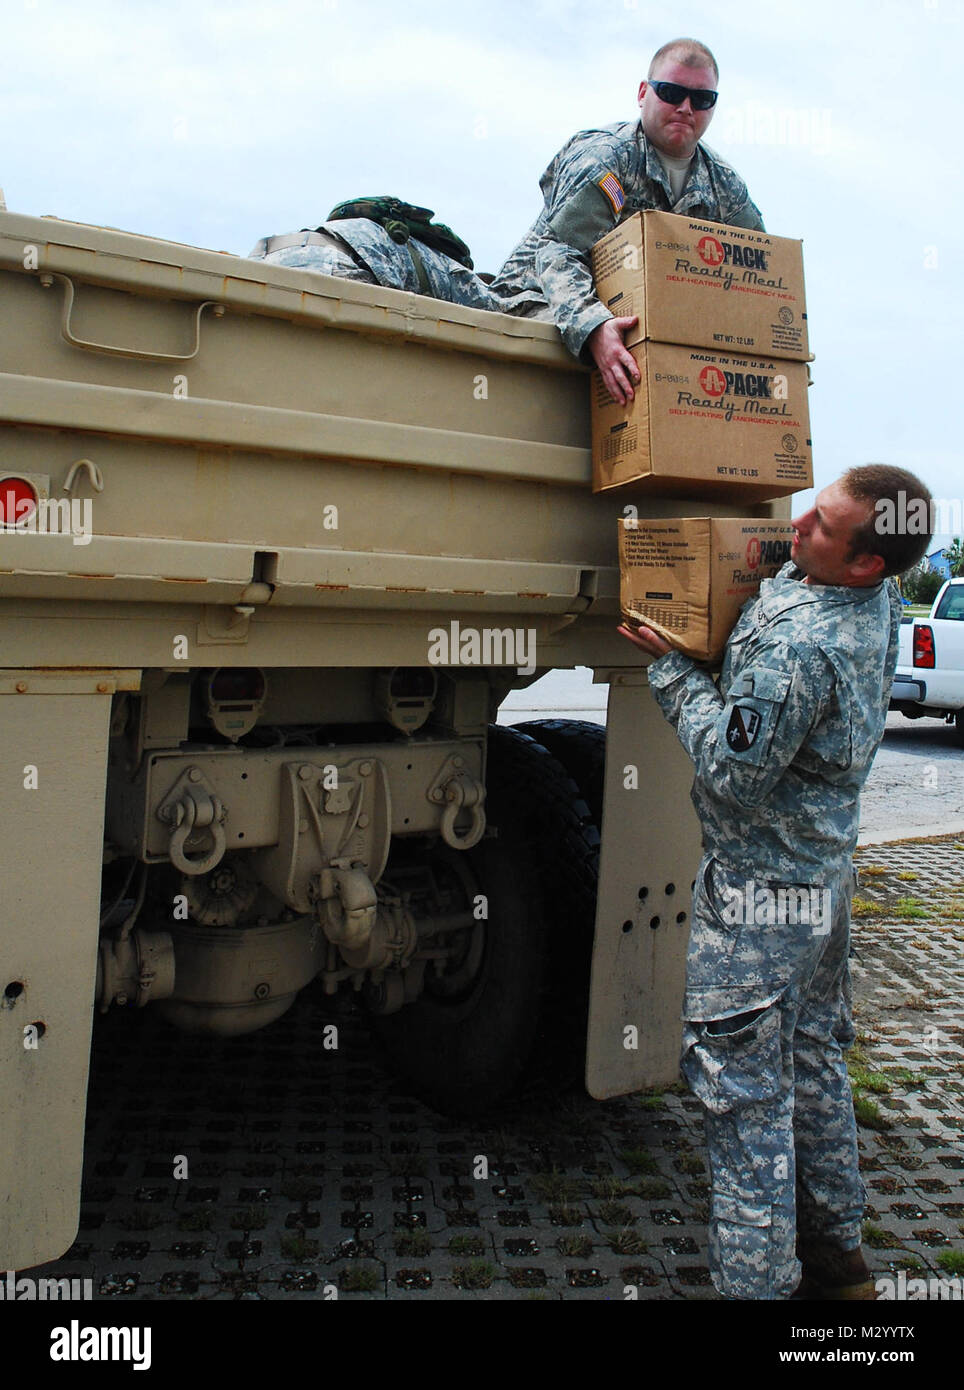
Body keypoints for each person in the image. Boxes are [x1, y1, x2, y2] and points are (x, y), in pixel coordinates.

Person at [618, 465, 934, 1301]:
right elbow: (800, 585)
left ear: (866, 561)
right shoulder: (878, 604)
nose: (795, 529)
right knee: (816, 1064)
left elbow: (731, 774)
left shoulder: (798, 646)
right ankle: (840, 1263)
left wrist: (673, 670)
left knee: (744, 1105)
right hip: (824, 885)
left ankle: (762, 1289)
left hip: (759, 900)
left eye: (820, 528)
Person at [490, 37, 764, 404]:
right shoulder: (606, 159)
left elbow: (761, 269)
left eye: (701, 100)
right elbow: (557, 252)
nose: (685, 108)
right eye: (671, 92)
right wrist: (593, 328)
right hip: (541, 302)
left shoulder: (724, 187)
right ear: (643, 93)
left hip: (640, 326)